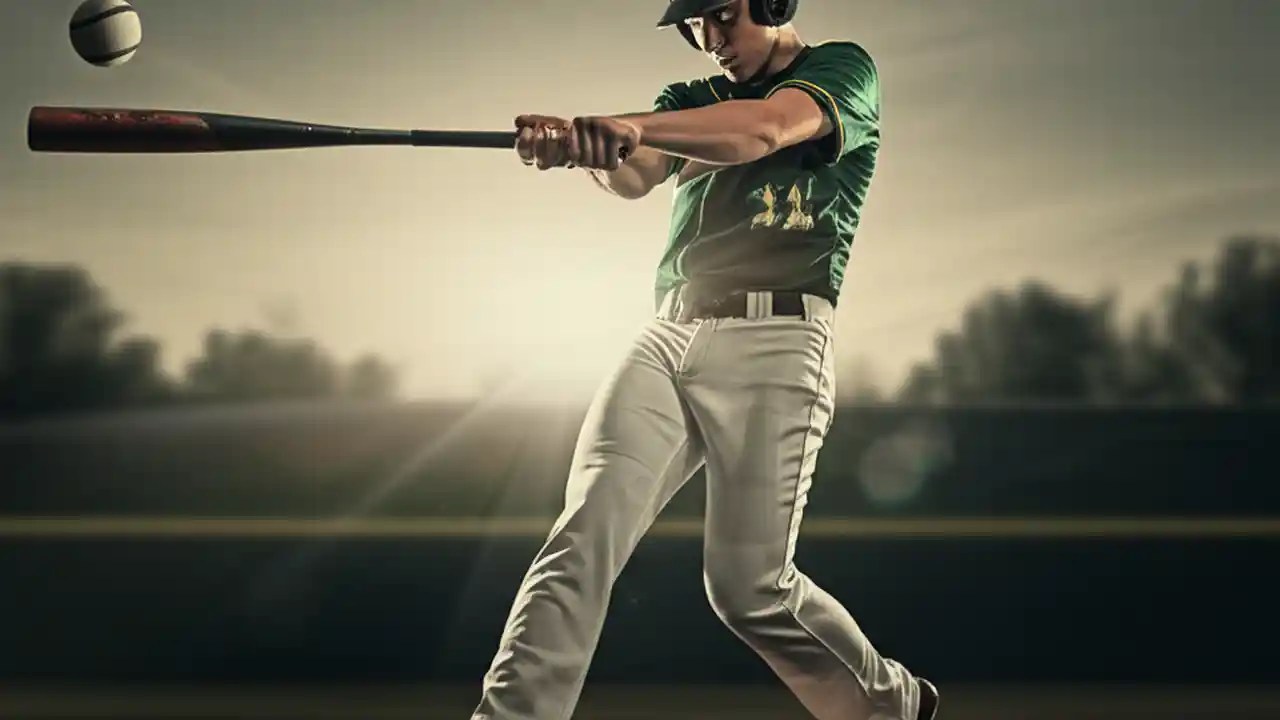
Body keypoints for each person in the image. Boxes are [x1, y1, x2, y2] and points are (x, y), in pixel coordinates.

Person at [472, 1, 937, 718]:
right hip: (668, 333)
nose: (711, 39)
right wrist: (584, 152)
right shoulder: (691, 97)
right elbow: (640, 172)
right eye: (696, 26)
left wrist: (628, 126)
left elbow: (764, 129)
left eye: (723, 15)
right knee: (582, 536)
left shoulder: (841, 68)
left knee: (749, 590)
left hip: (779, 339)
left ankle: (888, 706)